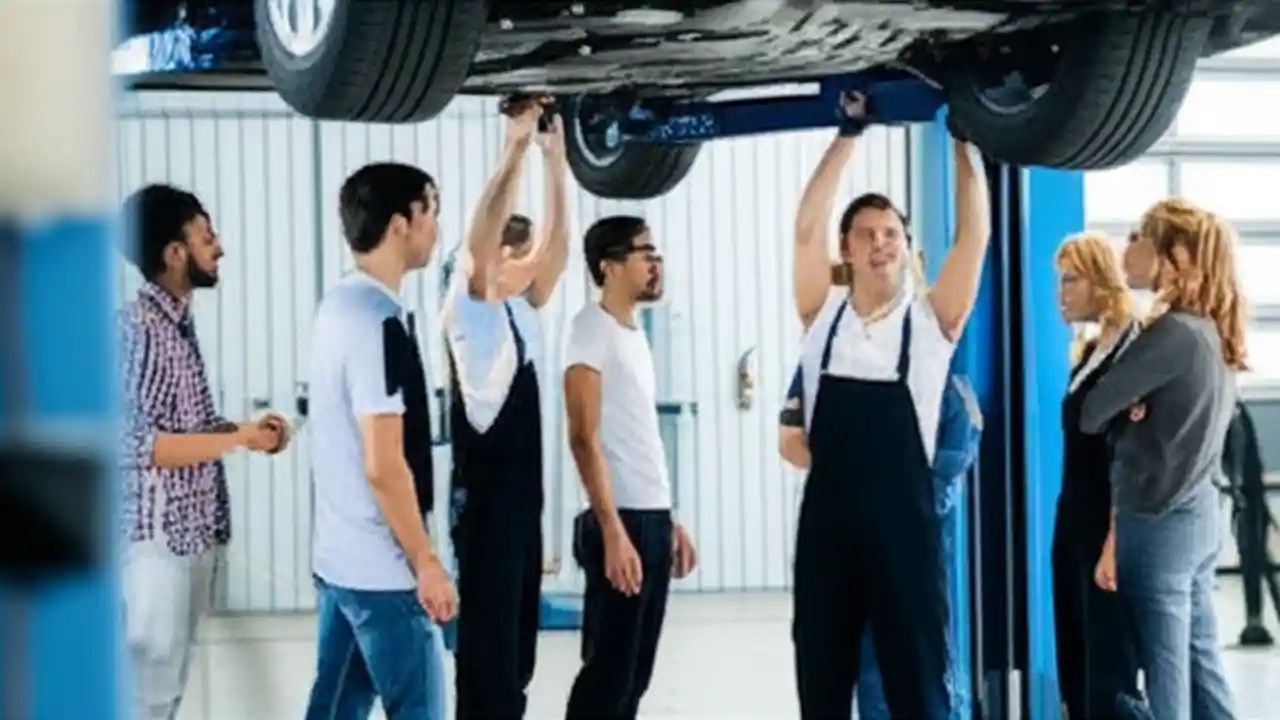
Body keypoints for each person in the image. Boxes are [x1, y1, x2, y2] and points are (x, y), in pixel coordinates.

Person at [789, 92, 990, 719]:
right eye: (866, 234)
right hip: (828, 530)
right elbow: (805, 226)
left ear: (905, 245)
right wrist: (847, 135)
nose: (880, 243)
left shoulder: (930, 328)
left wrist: (963, 143)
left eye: (891, 233)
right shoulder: (822, 318)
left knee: (919, 686)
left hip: (905, 534)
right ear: (846, 249)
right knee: (821, 679)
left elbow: (974, 235)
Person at [117, 183, 290, 720]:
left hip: (191, 539)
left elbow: (184, 428)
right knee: (149, 689)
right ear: (174, 253)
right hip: (157, 544)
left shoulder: (178, 325)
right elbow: (135, 443)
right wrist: (235, 439)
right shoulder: (140, 329)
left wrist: (246, 431)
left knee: (167, 688)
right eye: (206, 236)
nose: (219, 247)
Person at [1080, 197, 1244, 720]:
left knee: (1166, 673)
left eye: (1138, 239)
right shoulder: (1208, 331)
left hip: (1158, 521)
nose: (1127, 249)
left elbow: (1092, 410)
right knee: (1201, 662)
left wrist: (1128, 404)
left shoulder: (1171, 334)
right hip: (1198, 515)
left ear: (1175, 257)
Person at [304, 162, 457, 720]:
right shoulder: (379, 321)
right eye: (430, 210)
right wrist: (426, 562)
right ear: (400, 224)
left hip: (340, 561)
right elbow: (383, 463)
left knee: (335, 709)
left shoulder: (337, 306)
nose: (435, 226)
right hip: (384, 570)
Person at [442, 95, 569, 719]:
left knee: (516, 665)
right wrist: (515, 146)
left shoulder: (521, 310)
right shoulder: (470, 312)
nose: (529, 262)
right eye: (513, 254)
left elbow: (556, 254)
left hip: (522, 516)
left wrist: (557, 163)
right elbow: (480, 242)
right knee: (488, 670)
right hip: (488, 520)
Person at [563, 215, 698, 719]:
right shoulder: (590, 329)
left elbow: (635, 440)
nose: (655, 262)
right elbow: (583, 436)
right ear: (609, 267)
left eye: (655, 252)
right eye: (644, 252)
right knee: (607, 675)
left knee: (634, 677)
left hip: (649, 519)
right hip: (621, 523)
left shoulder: (632, 334)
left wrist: (668, 520)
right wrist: (614, 530)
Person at [1051, 231, 1143, 719]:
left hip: (1104, 520)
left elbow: (1125, 455)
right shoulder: (1089, 352)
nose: (1060, 293)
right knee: (1075, 644)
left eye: (1071, 280)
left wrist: (1113, 538)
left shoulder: (1131, 348)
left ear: (1100, 281)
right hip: (1073, 515)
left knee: (1107, 656)